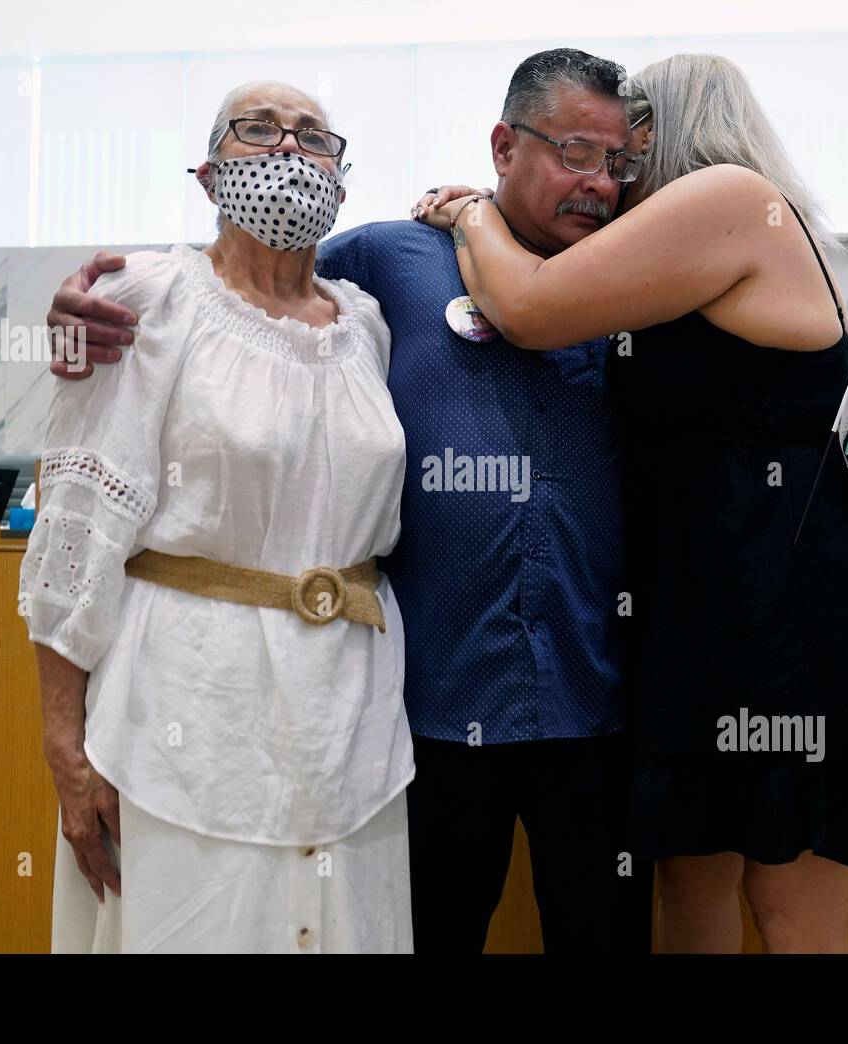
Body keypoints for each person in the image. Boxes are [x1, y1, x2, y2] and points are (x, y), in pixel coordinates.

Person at [45, 49, 656, 954]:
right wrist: (76, 313)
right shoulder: (389, 265)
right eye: (573, 152)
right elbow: (240, 290)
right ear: (503, 144)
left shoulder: (638, 276)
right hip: (432, 705)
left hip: (581, 696)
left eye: (616, 165)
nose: (597, 184)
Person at [414, 52, 848, 954]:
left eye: (620, 149)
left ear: (664, 131)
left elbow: (529, 308)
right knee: (689, 889)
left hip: (784, 607)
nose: (609, 174)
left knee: (788, 905)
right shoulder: (677, 246)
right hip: (695, 607)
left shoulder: (730, 197)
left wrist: (470, 214)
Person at [22, 80, 413, 953]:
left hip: (352, 718)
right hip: (187, 711)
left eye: (314, 135)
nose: (287, 148)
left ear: (342, 182)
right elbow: (77, 527)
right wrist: (65, 744)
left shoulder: (367, 325)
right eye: (258, 128)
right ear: (206, 174)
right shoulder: (146, 299)